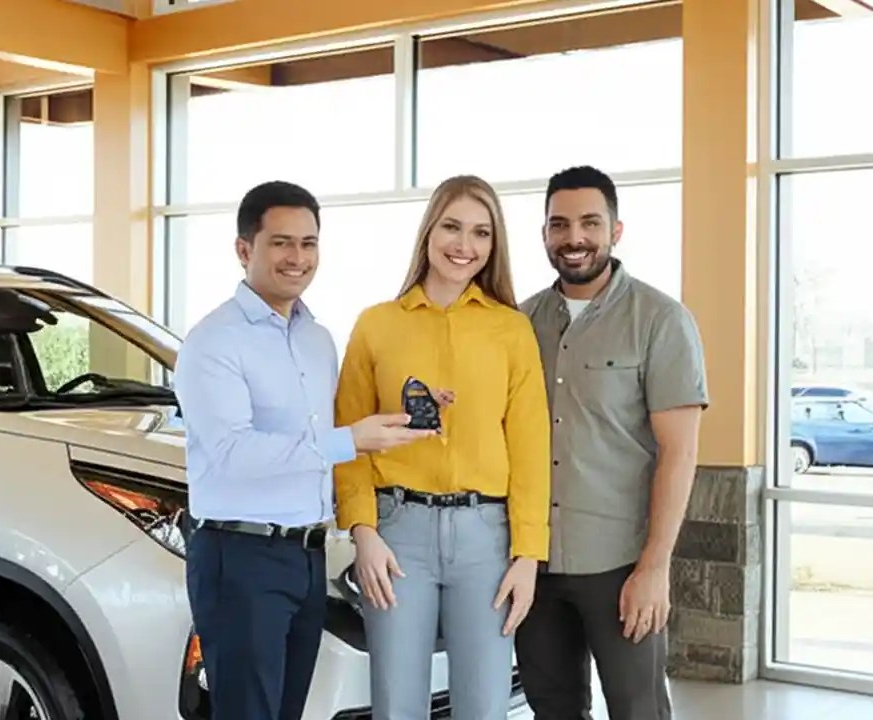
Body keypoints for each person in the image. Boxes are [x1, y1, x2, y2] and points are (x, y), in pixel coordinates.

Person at [173, 180, 434, 720]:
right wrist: (349, 441)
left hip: (308, 557)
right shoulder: (213, 342)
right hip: (240, 557)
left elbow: (325, 429)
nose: (298, 258)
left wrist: (414, 406)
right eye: (281, 242)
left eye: (309, 243)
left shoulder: (317, 339)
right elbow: (231, 454)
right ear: (244, 249)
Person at [332, 175, 553, 720]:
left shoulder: (511, 330)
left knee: (483, 709)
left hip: (487, 541)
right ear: (429, 229)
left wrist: (528, 555)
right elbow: (349, 439)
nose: (464, 244)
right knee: (397, 706)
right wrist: (363, 533)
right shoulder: (375, 325)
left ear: (493, 245)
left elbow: (529, 447)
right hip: (396, 537)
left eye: (481, 233)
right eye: (452, 226)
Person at [515, 165, 708, 720]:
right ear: (545, 233)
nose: (574, 238)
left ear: (615, 231)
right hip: (536, 564)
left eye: (589, 223)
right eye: (560, 224)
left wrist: (654, 567)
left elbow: (680, 452)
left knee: (638, 709)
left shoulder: (661, 320)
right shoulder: (520, 322)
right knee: (551, 708)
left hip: (620, 564)